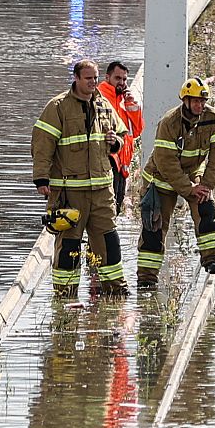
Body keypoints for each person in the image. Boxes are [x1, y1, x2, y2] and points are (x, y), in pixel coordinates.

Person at [32, 60, 129, 297]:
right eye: (88, 78)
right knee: (69, 245)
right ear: (76, 78)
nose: (93, 82)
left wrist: (115, 141)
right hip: (70, 192)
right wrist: (42, 179)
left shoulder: (104, 105)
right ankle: (65, 296)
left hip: (101, 190)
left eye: (95, 78)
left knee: (109, 241)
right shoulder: (58, 107)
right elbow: (43, 144)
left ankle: (115, 294)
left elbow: (122, 134)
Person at [136, 78, 215, 285]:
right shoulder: (170, 122)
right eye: (195, 101)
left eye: (202, 101)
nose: (199, 106)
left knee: (207, 213)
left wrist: (206, 185)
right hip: (159, 180)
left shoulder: (212, 118)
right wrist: (188, 188)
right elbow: (165, 162)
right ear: (185, 101)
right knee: (154, 230)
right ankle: (147, 278)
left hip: (194, 176)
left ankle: (213, 259)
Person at [97, 59, 142, 214]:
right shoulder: (100, 97)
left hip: (122, 165)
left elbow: (136, 132)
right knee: (106, 212)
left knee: (114, 209)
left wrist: (132, 106)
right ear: (107, 77)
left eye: (124, 79)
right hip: (108, 162)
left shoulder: (124, 100)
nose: (122, 82)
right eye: (118, 78)